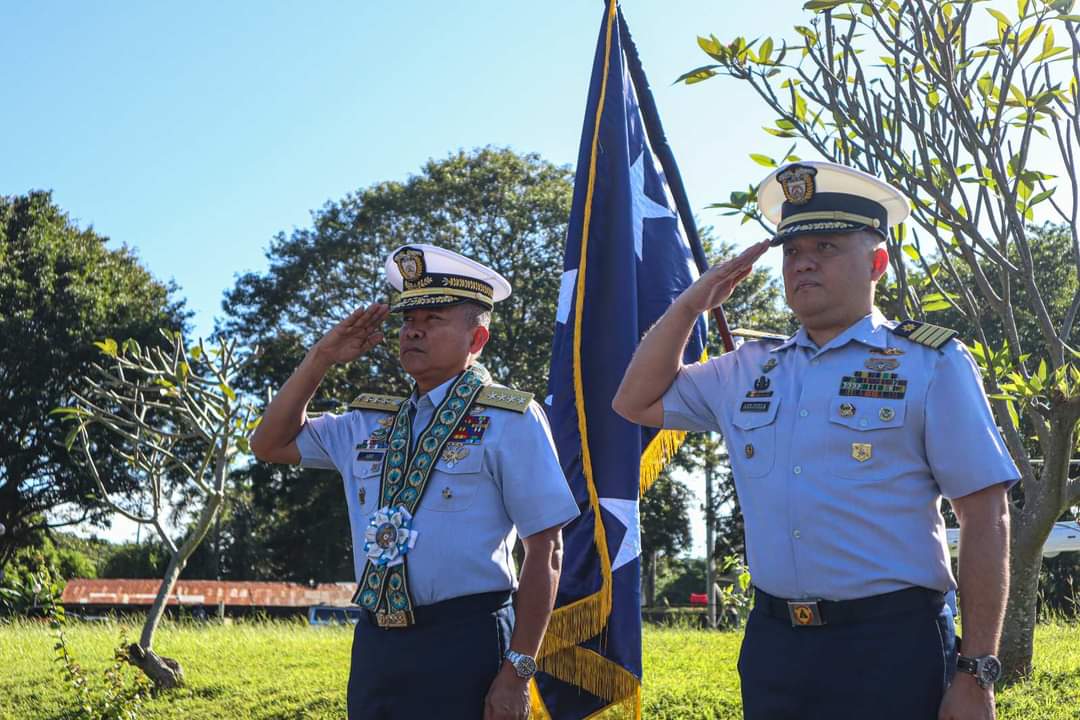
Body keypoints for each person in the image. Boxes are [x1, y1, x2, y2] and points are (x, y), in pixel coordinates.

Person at [612, 161, 1016, 720]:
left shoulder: (930, 363)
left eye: (825, 246)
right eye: (792, 250)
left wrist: (977, 670)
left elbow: (985, 513)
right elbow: (634, 402)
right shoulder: (747, 370)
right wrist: (688, 306)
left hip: (891, 644)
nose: (802, 262)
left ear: (877, 262)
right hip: (776, 646)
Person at [250, 243, 579, 720]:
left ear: (477, 339)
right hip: (377, 644)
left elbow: (546, 549)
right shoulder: (367, 422)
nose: (414, 330)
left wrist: (517, 672)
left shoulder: (510, 418)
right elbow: (269, 443)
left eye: (434, 317)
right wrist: (321, 356)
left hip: (466, 638)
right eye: (408, 320)